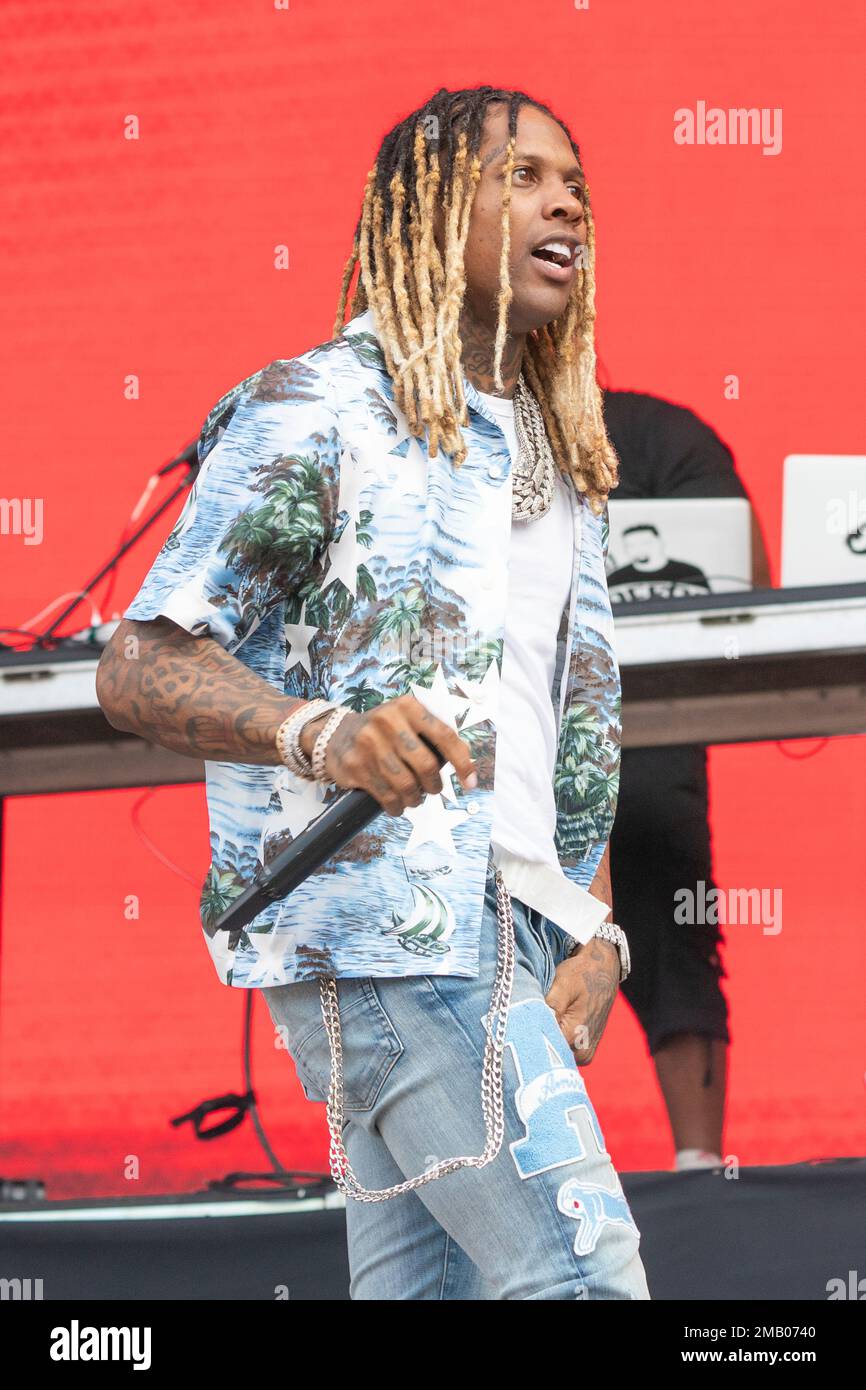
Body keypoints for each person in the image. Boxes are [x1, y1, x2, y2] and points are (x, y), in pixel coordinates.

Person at [97, 85, 650, 1300]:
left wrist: (597, 928)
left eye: (575, 182)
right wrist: (327, 734)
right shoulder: (320, 403)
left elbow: (563, 729)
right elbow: (136, 661)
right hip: (391, 933)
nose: (565, 200)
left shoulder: (558, 448)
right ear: (424, 211)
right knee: (580, 1272)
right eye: (521, 176)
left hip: (509, 930)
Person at [600, 387, 772, 1172]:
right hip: (481, 737)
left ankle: (700, 1171)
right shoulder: (442, 446)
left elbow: (749, 592)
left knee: (663, 875)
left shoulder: (658, 436)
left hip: (632, 726)